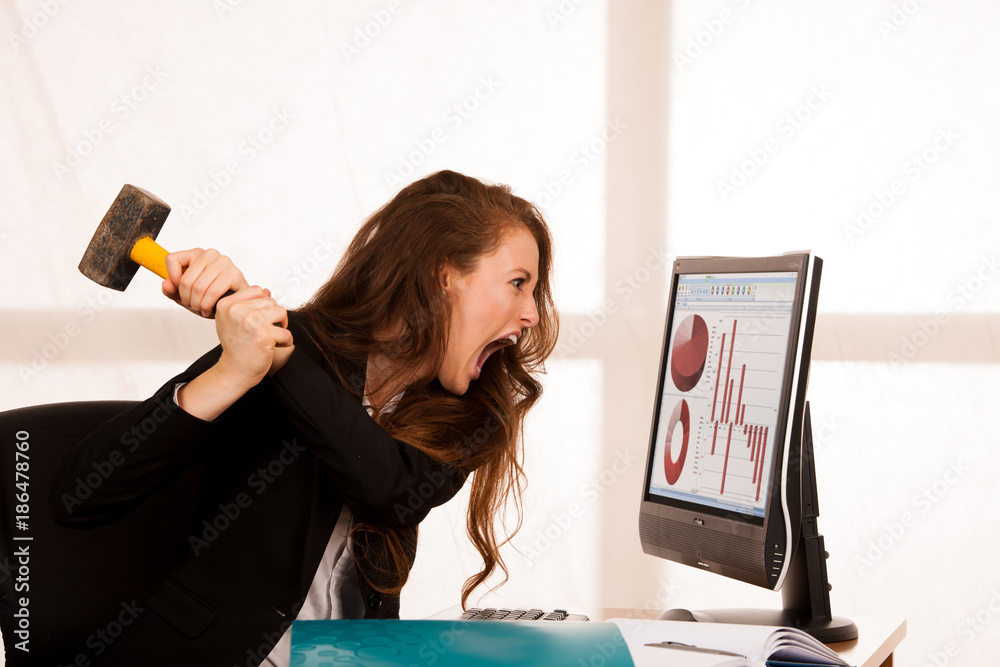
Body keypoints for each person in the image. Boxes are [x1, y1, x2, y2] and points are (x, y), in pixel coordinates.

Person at [48, 170, 558, 665]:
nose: (531, 313)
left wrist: (283, 361)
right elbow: (79, 496)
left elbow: (393, 490)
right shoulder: (273, 349)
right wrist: (230, 375)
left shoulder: (472, 414)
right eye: (517, 283)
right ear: (442, 275)